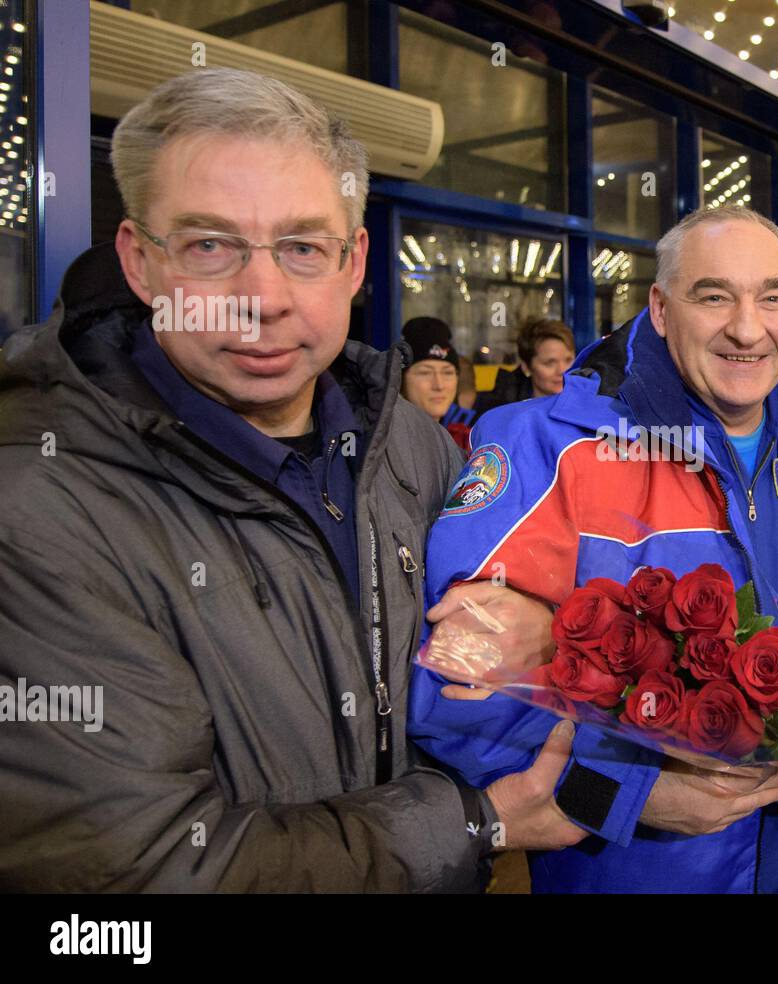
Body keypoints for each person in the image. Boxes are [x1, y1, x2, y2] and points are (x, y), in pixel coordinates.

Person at [0, 68, 578, 892]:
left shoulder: (410, 447)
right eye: (210, 247)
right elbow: (133, 875)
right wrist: (474, 822)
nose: (260, 298)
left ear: (354, 262)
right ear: (138, 262)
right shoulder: (39, 509)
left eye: (303, 247)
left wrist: (547, 630)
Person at [408, 205, 778, 893]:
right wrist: (626, 789)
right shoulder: (549, 447)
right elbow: (455, 682)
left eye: (772, 298)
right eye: (713, 296)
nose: (747, 329)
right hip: (639, 868)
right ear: (658, 307)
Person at [399, 316, 472, 452]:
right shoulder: (387, 442)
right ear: (401, 380)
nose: (439, 385)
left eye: (448, 373)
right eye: (425, 373)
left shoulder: (468, 441)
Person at [474, 317, 576, 414]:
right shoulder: (502, 409)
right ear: (526, 367)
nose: (563, 370)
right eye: (550, 363)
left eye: (568, 360)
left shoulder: (589, 400)